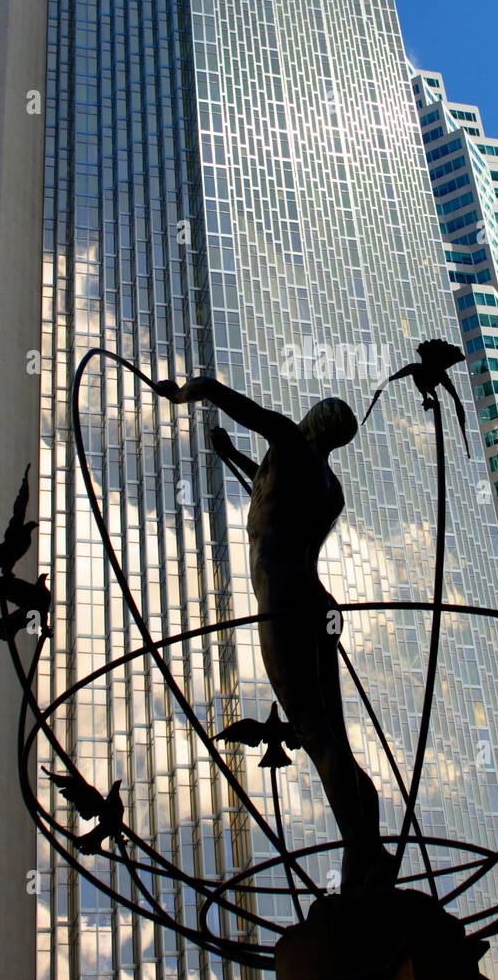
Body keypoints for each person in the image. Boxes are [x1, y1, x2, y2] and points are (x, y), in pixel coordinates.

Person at [155, 375, 395, 889]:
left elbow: (229, 397)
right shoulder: (331, 492)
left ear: (315, 422)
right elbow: (271, 488)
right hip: (318, 605)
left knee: (313, 734)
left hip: (283, 596)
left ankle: (362, 853)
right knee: (333, 737)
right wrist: (230, 456)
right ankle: (370, 846)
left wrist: (182, 394)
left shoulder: (287, 440)